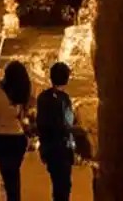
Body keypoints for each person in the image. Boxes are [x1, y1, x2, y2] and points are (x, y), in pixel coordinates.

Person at [0, 60, 31, 201]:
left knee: (8, 177)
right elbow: (24, 116)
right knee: (14, 176)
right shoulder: (22, 93)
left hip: (1, 139)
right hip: (19, 138)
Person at [36, 62, 76, 201]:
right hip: (62, 149)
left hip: (49, 148)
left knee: (57, 184)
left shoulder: (42, 97)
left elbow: (40, 123)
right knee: (64, 187)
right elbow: (68, 123)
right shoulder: (64, 99)